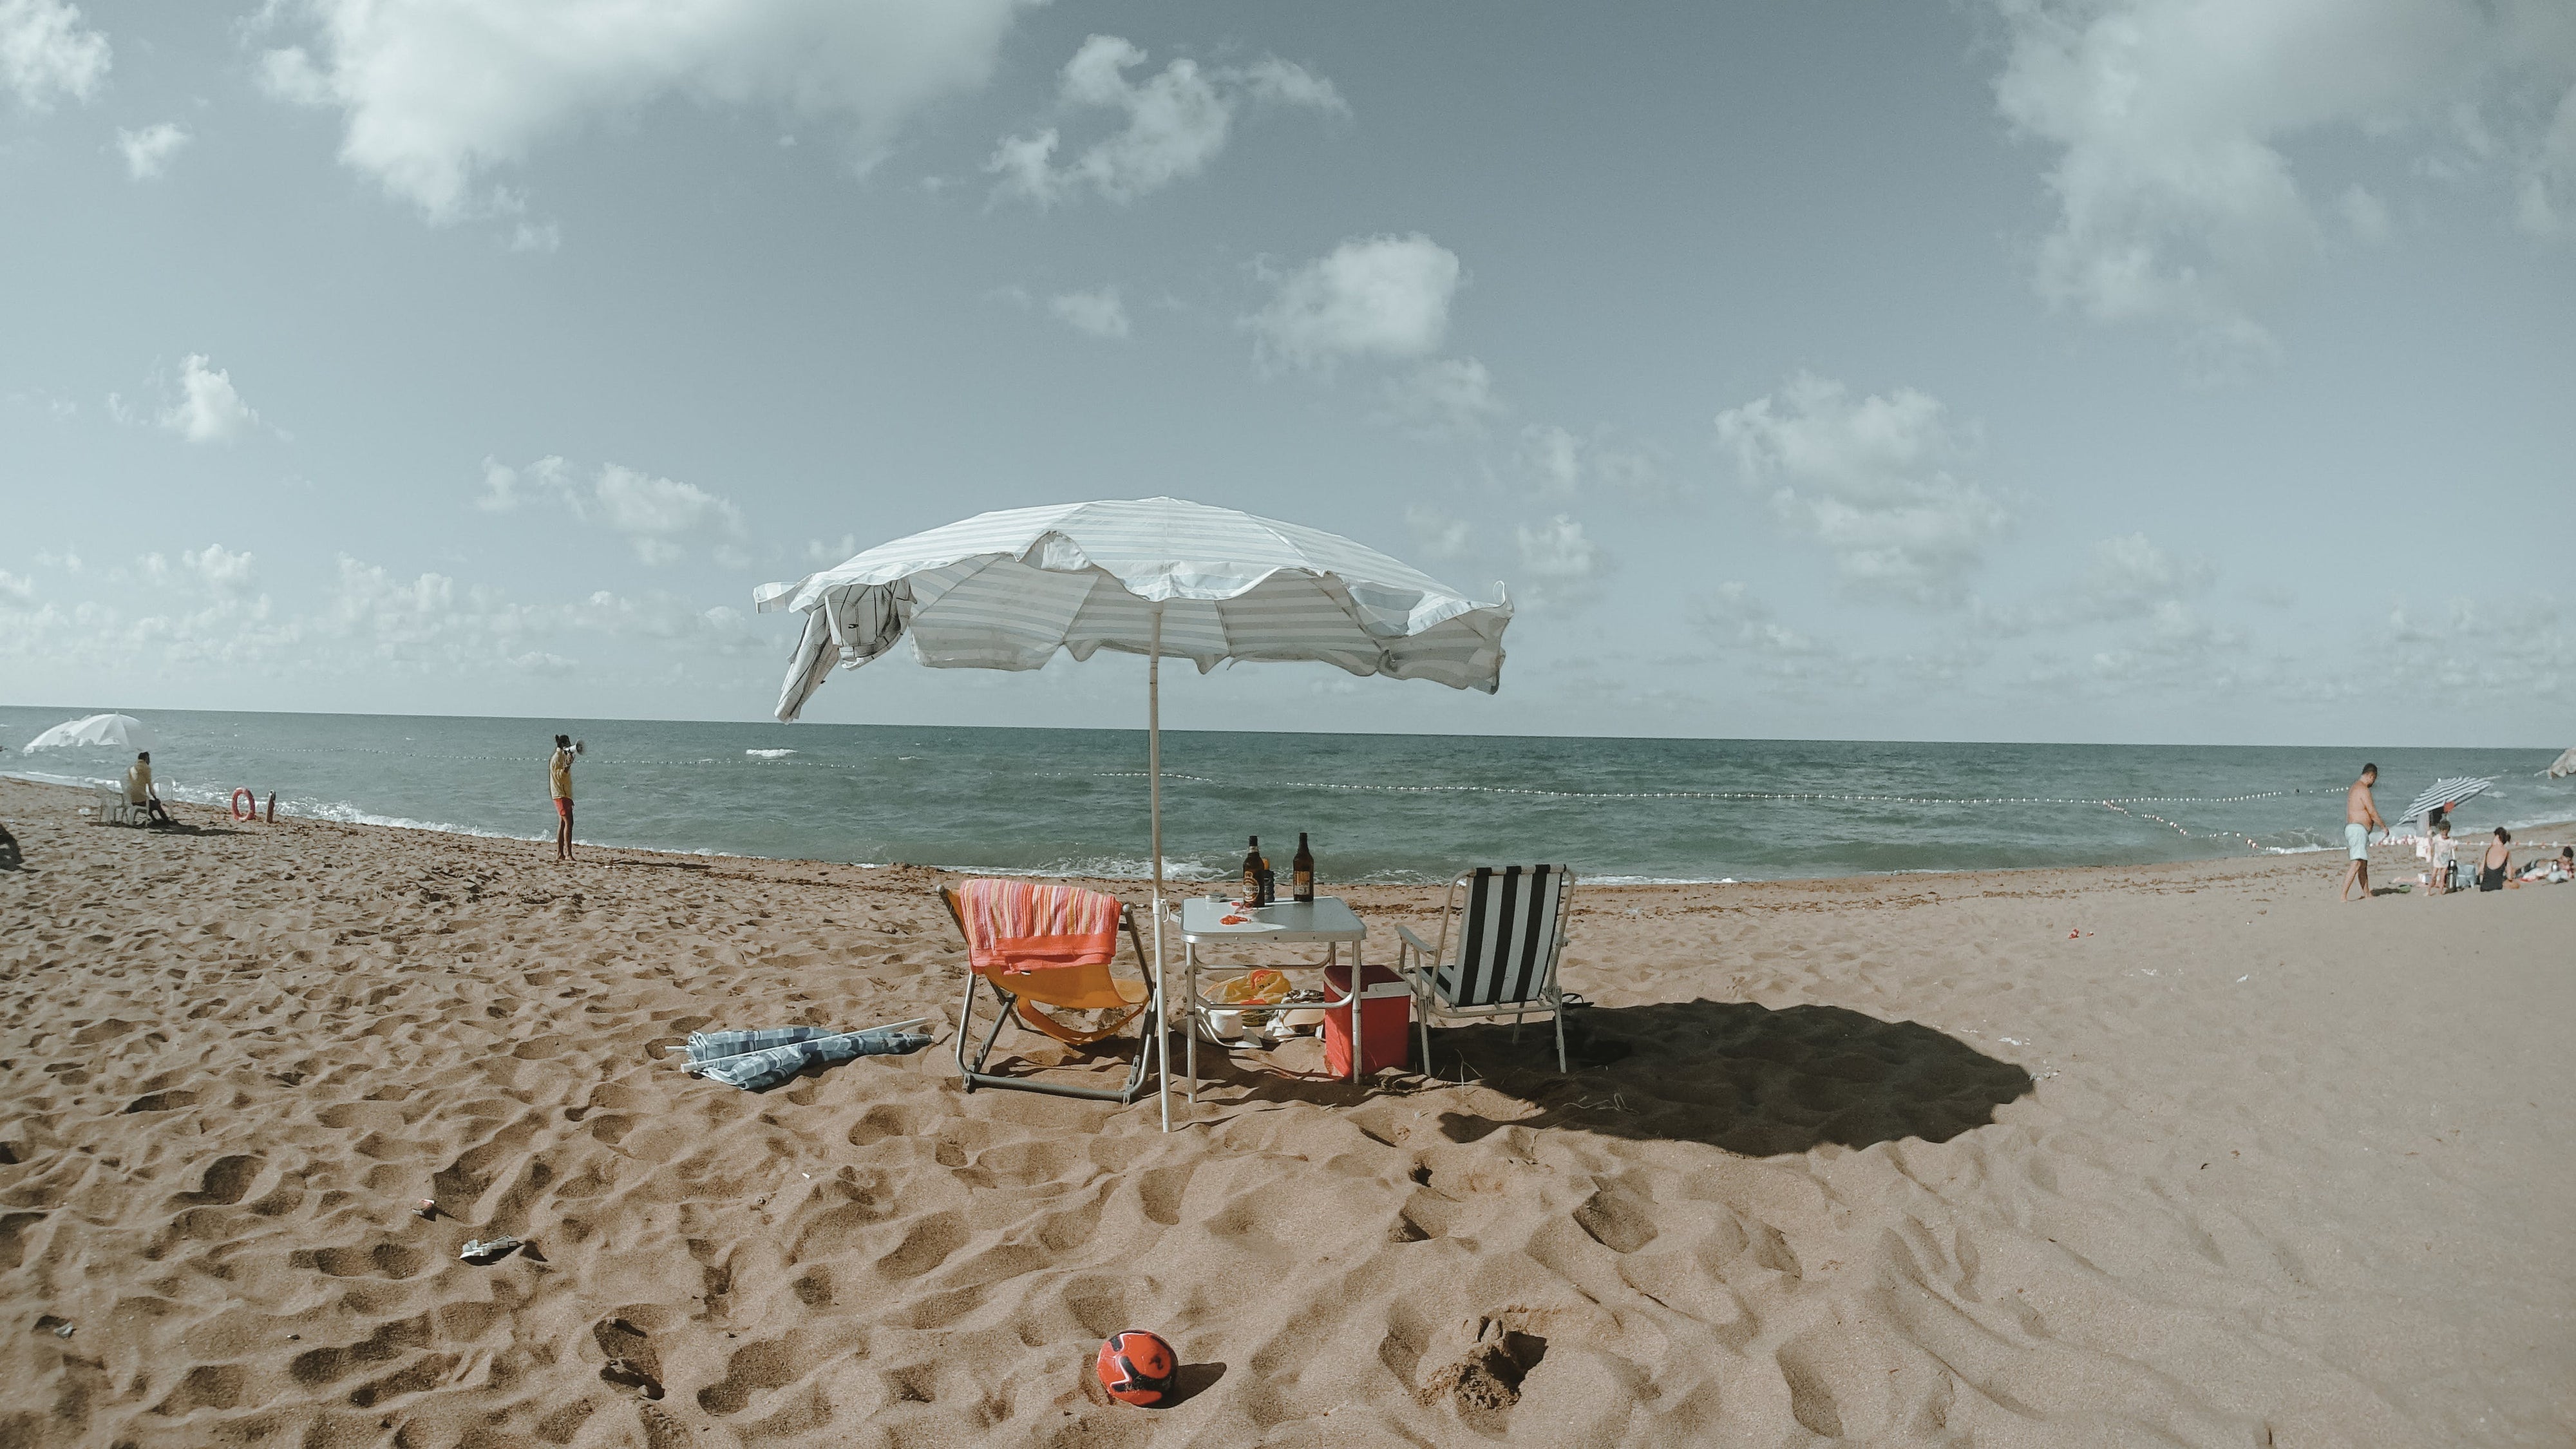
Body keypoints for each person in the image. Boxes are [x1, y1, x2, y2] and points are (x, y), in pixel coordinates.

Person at [2338, 762, 2384, 902]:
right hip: (2357, 829)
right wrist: (2383, 827)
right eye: (2374, 779)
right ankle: (2343, 896)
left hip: (2356, 829)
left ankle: (2367, 893)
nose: (2373, 782)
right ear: (2371, 776)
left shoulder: (2354, 787)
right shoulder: (2362, 789)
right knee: (2357, 862)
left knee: (2363, 864)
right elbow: (2371, 811)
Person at [549, 734, 576, 862]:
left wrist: (568, 761)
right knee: (569, 823)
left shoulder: (562, 756)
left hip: (564, 793)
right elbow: (559, 776)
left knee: (563, 822)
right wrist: (569, 764)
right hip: (561, 794)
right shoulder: (557, 758)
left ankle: (561, 853)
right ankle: (568, 854)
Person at [126, 750, 172, 826]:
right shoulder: (146, 768)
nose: (150, 761)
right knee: (156, 804)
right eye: (149, 759)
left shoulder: (132, 768)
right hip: (141, 801)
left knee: (149, 801)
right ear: (146, 758)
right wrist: (156, 798)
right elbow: (150, 787)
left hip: (132, 799)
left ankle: (155, 820)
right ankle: (167, 821)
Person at [2476, 826, 2512, 892]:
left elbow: (2480, 871)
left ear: (2497, 837)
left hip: (2484, 887)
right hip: (2498, 886)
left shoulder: (2489, 850)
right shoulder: (2506, 852)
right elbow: (2509, 875)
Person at [2427, 819, 2458, 894]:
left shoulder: (2450, 840)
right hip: (2437, 859)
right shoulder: (2438, 838)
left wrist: (2456, 846)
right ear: (2440, 831)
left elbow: (2454, 847)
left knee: (2442, 877)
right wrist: (2429, 835)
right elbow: (2431, 842)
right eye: (2443, 834)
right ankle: (2428, 891)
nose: (2444, 836)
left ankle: (2441, 892)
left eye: (2446, 834)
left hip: (2445, 861)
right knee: (2433, 876)